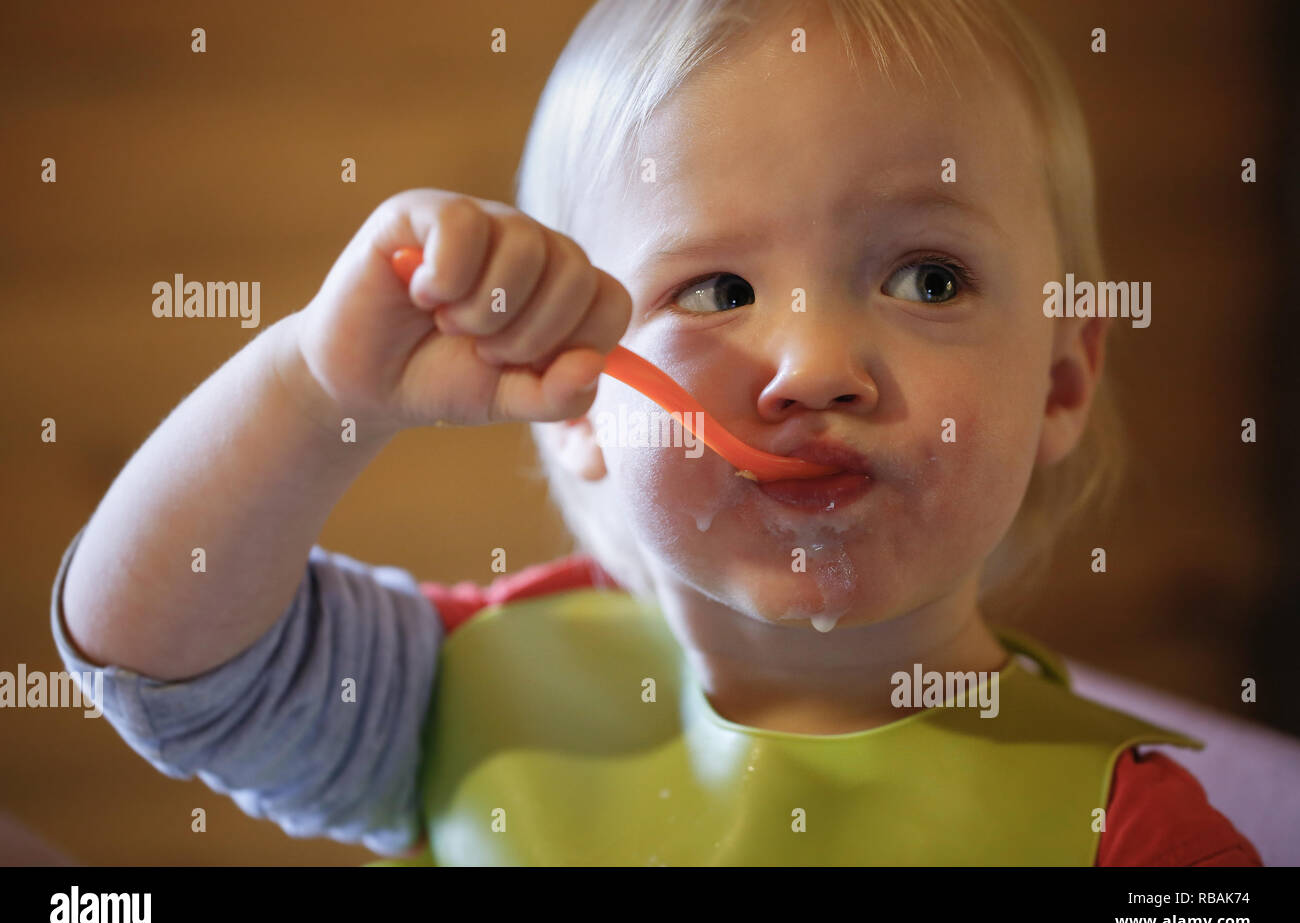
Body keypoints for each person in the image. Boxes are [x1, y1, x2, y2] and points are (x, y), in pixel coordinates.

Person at [51, 0, 1261, 865]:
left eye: (928, 278)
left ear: (1058, 383)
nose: (814, 367)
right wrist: (315, 391)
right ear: (577, 399)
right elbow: (159, 667)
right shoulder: (461, 693)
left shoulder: (1139, 843)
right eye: (718, 290)